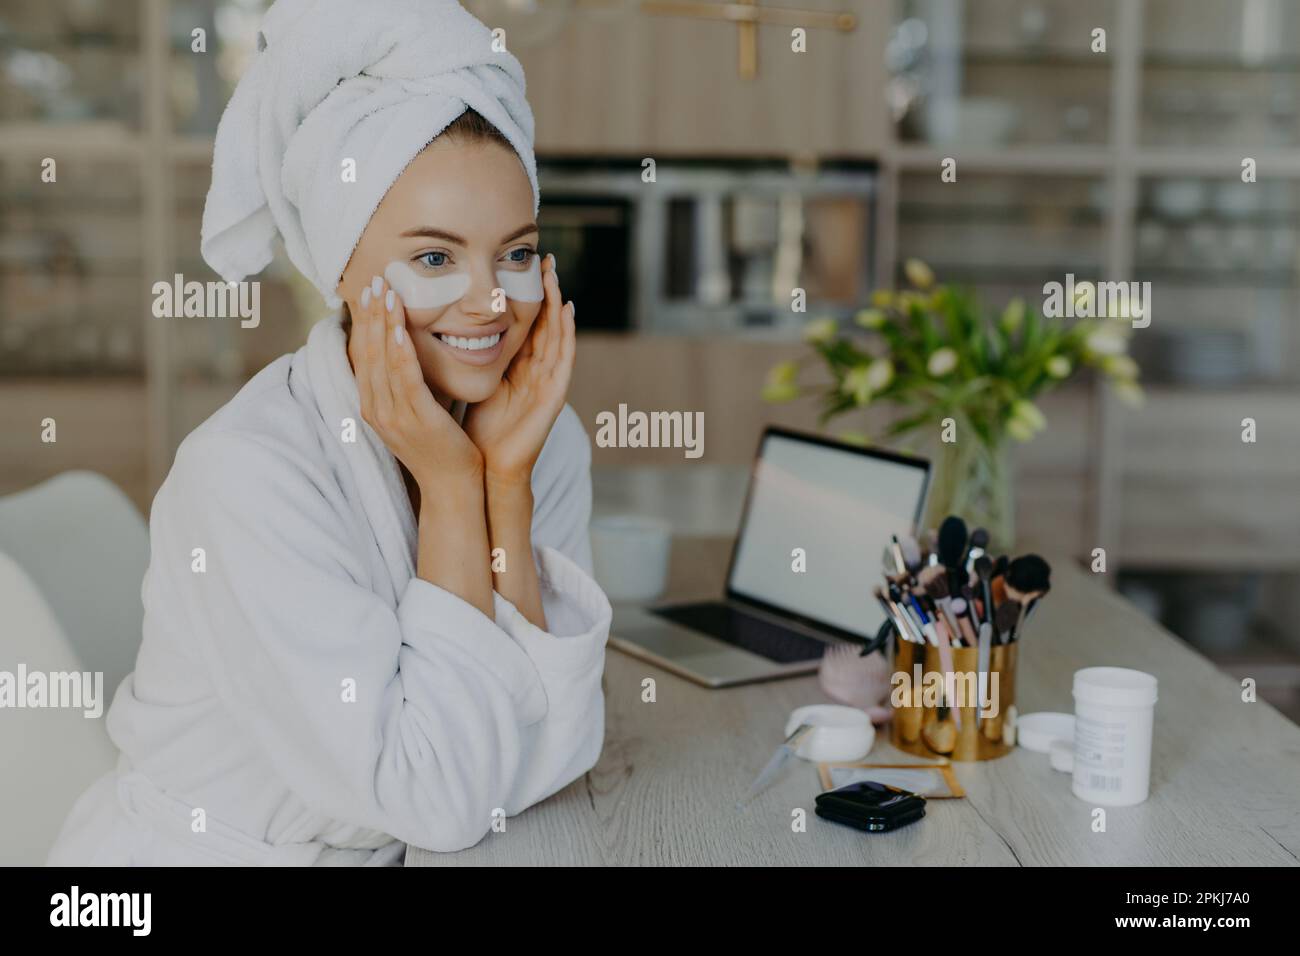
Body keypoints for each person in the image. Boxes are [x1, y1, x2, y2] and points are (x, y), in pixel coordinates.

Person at [47, 0, 610, 866]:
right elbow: (440, 797)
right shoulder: (247, 476)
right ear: (339, 266)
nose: (490, 301)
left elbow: (545, 755)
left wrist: (503, 484)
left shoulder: (536, 438)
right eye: (433, 258)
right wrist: (457, 491)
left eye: (518, 252)